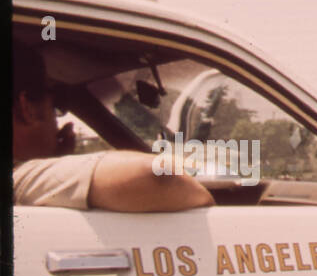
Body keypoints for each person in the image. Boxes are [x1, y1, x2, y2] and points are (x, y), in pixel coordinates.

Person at [12, 44, 213, 211]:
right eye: (56, 106)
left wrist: (57, 158)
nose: (57, 122)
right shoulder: (19, 177)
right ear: (28, 108)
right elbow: (160, 176)